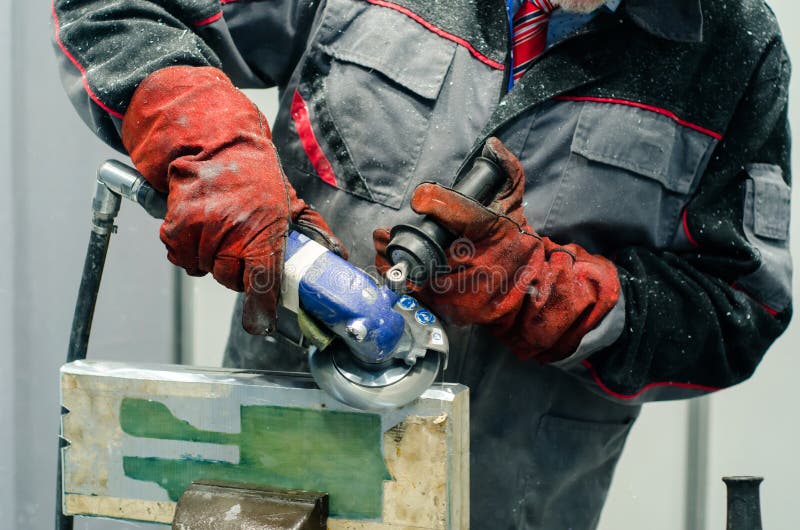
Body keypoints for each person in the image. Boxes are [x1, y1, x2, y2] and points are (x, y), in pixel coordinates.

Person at [52, 0, 792, 527]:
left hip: (513, 506)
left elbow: (740, 312)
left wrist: (548, 294)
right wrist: (211, 149)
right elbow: (113, 7)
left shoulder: (733, 48)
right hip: (271, 494)